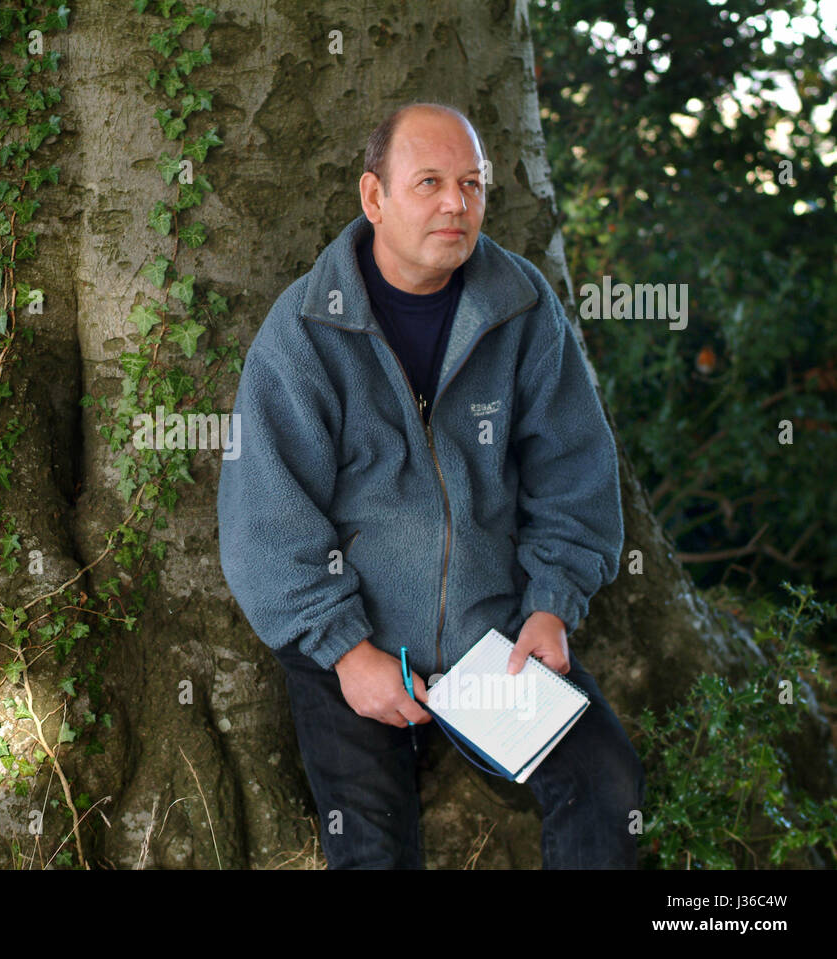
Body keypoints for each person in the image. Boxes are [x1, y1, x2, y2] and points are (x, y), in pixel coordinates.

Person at [216, 102, 645, 869]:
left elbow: (573, 470)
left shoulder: (519, 307)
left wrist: (551, 604)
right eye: (431, 182)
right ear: (374, 198)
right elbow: (265, 520)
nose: (457, 203)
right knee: (372, 848)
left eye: (473, 185)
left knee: (608, 786)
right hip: (354, 645)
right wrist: (345, 650)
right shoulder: (305, 332)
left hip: (496, 642)